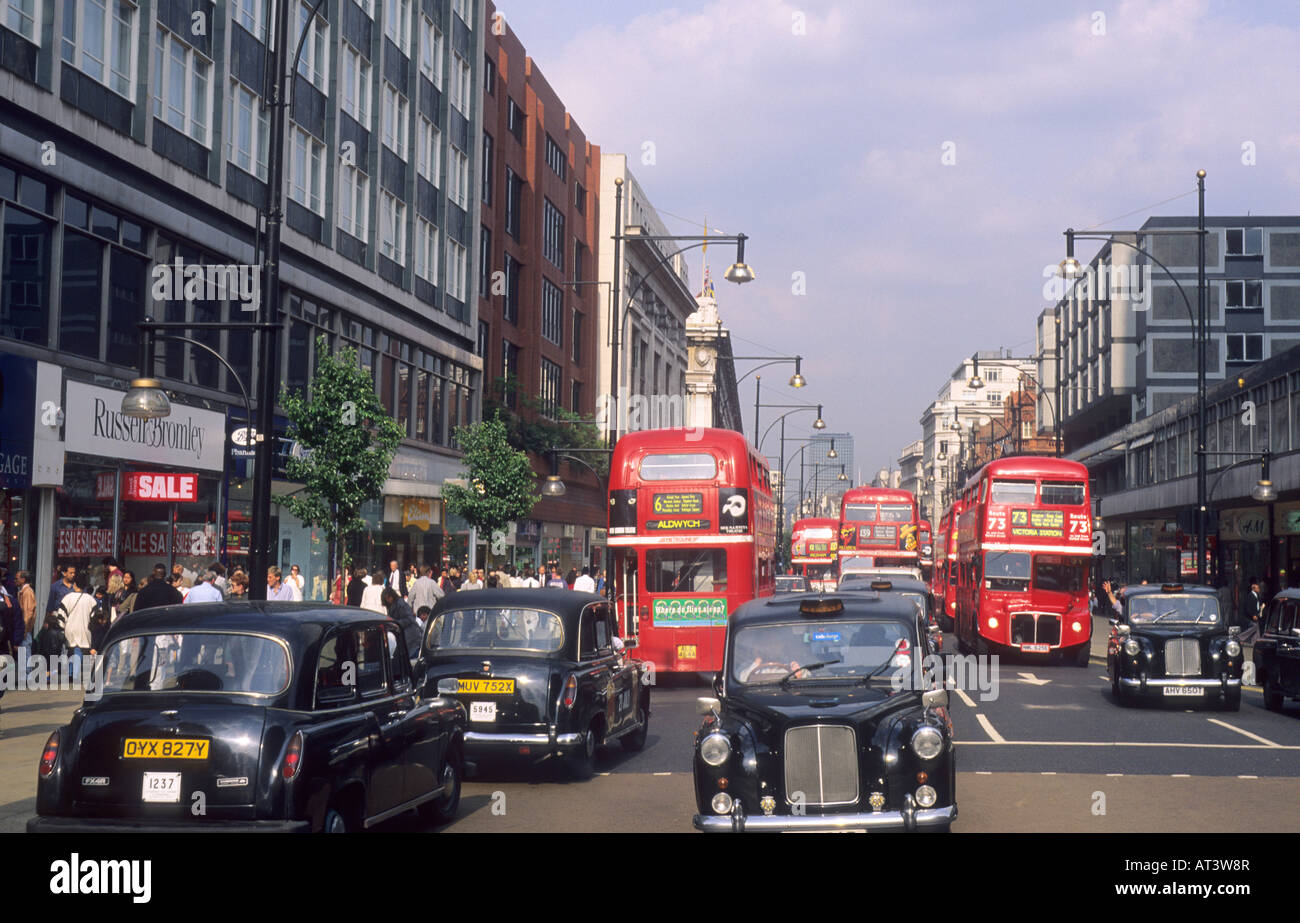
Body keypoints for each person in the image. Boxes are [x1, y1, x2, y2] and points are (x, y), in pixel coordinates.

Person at [59, 574, 96, 684]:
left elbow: (61, 615)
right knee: (79, 650)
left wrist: (62, 628)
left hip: (69, 628)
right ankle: (74, 674)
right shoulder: (90, 599)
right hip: (84, 628)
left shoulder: (67, 598)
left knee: (72, 649)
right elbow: (94, 618)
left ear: (75, 584)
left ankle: (71, 673)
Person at [381, 588, 422, 661]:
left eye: (388, 598)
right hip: (404, 634)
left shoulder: (400, 604)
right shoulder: (392, 605)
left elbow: (410, 618)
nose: (388, 600)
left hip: (410, 634)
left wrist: (396, 623)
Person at [15, 571, 35, 657]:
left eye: (17, 578)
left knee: (25, 655)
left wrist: (24, 630)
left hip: (24, 630)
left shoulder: (27, 592)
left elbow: (28, 613)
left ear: (23, 580)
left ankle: (27, 671)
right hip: (23, 628)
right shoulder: (23, 592)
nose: (15, 580)